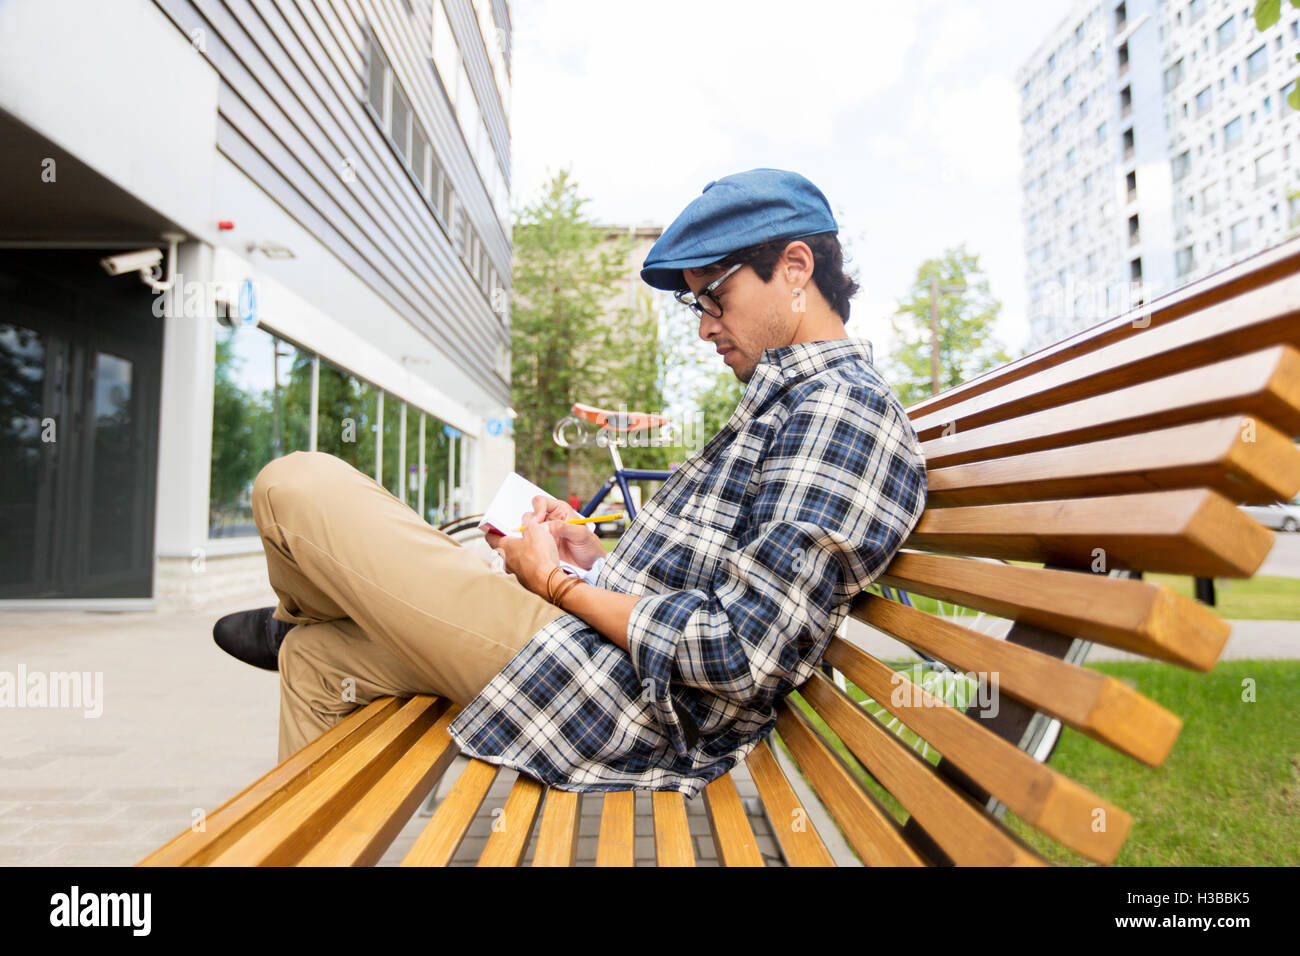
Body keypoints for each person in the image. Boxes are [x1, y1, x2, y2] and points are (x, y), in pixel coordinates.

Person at [213, 168, 928, 798]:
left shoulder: (843, 411)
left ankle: (300, 611)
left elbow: (740, 651)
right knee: (317, 659)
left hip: (618, 691)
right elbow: (706, 589)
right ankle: (304, 626)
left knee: (294, 485)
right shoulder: (792, 402)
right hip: (595, 654)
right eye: (697, 306)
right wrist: (589, 561)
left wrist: (556, 586)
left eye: (714, 296)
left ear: (796, 267)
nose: (705, 328)